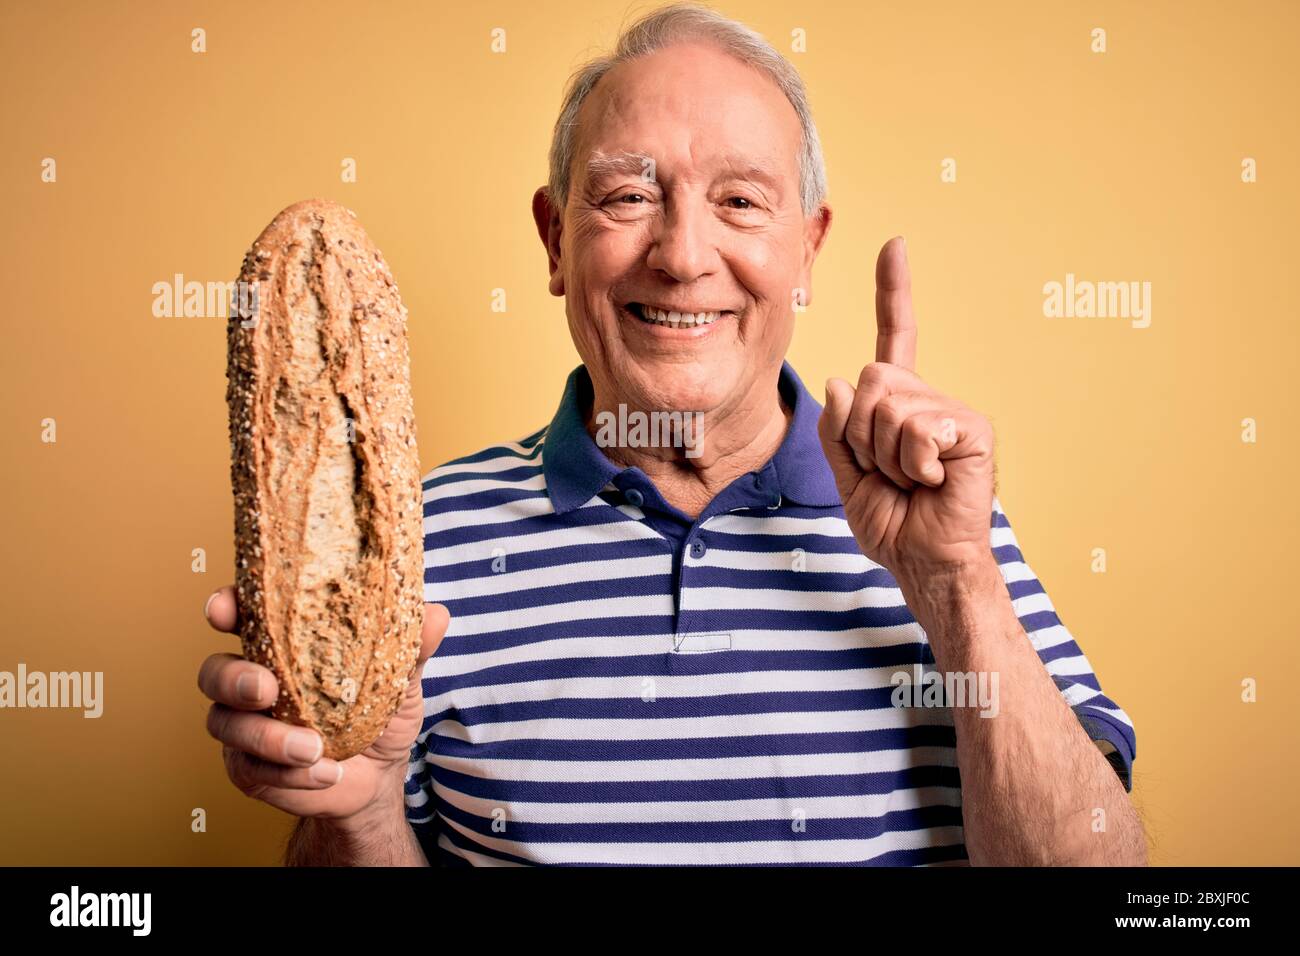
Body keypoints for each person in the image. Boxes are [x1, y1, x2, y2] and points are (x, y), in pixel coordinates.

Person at [198, 2, 1145, 866]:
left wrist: (960, 589)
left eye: (740, 201)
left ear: (807, 250)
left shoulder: (946, 530)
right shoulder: (416, 541)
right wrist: (356, 819)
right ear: (554, 241)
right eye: (627, 198)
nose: (685, 256)